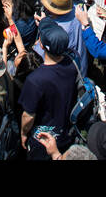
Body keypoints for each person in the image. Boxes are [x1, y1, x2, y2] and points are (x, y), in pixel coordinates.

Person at [18, 21, 79, 159]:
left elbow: (28, 115)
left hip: (42, 140)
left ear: (41, 45)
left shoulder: (35, 80)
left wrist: (23, 133)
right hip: (66, 133)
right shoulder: (73, 64)